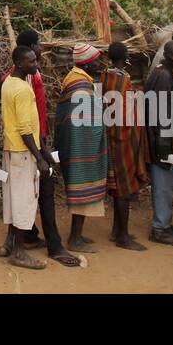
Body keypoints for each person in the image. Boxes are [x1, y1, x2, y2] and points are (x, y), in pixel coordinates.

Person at [9, 28, 77, 266]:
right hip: (30, 144)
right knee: (42, 193)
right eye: (37, 46)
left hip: (34, 141)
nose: (40, 51)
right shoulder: (24, 78)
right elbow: (26, 121)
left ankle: (21, 238)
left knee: (22, 194)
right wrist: (40, 151)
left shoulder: (21, 75)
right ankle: (54, 246)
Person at [56, 43, 109, 254]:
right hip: (82, 149)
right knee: (82, 191)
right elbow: (84, 125)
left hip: (76, 146)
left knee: (82, 192)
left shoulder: (76, 81)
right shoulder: (81, 87)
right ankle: (75, 239)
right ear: (87, 63)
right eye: (96, 60)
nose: (100, 63)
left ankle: (77, 235)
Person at [1, 44, 50, 270]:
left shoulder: (8, 83)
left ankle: (9, 244)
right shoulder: (21, 89)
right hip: (22, 152)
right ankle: (19, 252)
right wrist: (39, 156)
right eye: (32, 61)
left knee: (13, 199)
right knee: (24, 202)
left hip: (12, 150)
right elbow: (24, 128)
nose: (36, 64)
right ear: (19, 64)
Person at [101, 41, 149, 251]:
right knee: (123, 188)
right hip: (123, 139)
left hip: (113, 137)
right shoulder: (120, 79)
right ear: (125, 56)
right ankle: (122, 236)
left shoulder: (105, 77)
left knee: (118, 186)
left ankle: (116, 231)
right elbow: (122, 113)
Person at [144, 39, 173, 246]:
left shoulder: (165, 74)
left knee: (167, 184)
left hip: (164, 139)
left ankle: (165, 223)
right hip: (162, 142)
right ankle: (159, 228)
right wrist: (164, 148)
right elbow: (159, 114)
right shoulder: (163, 76)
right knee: (163, 184)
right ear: (166, 56)